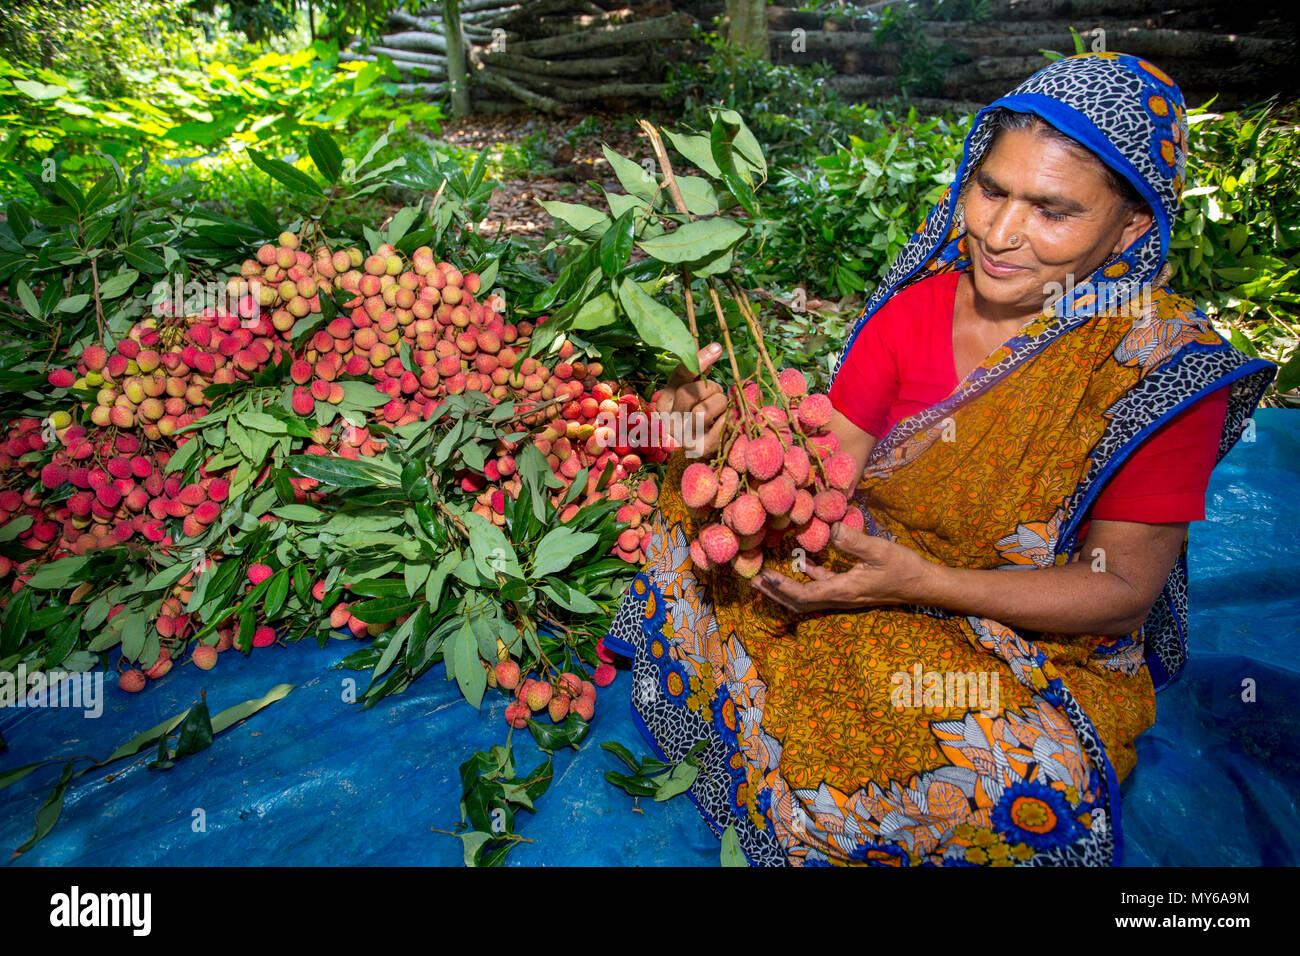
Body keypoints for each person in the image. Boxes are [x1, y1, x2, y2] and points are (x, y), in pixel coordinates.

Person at [602, 52, 1276, 866]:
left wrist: (923, 584)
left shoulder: (1159, 370)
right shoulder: (914, 313)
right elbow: (823, 483)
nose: (997, 233)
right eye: (991, 189)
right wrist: (715, 439)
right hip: (876, 568)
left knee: (1003, 783)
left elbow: (1119, 592)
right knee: (700, 519)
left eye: (1052, 210)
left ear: (1129, 228)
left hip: (1031, 637)